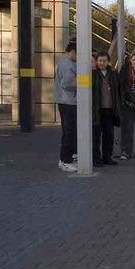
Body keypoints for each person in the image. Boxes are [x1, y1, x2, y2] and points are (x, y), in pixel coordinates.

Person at [92, 50, 122, 166]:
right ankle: (96, 159)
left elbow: (119, 90)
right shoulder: (93, 75)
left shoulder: (113, 75)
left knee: (109, 135)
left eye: (104, 61)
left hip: (110, 110)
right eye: (100, 61)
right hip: (97, 110)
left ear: (108, 62)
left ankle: (107, 157)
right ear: (96, 61)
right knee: (95, 136)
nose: (101, 63)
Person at [55, 40, 78, 173]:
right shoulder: (67, 65)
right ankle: (65, 160)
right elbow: (67, 83)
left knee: (70, 131)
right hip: (67, 101)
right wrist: (82, 80)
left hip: (67, 101)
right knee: (68, 132)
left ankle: (68, 158)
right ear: (73, 52)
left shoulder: (65, 63)